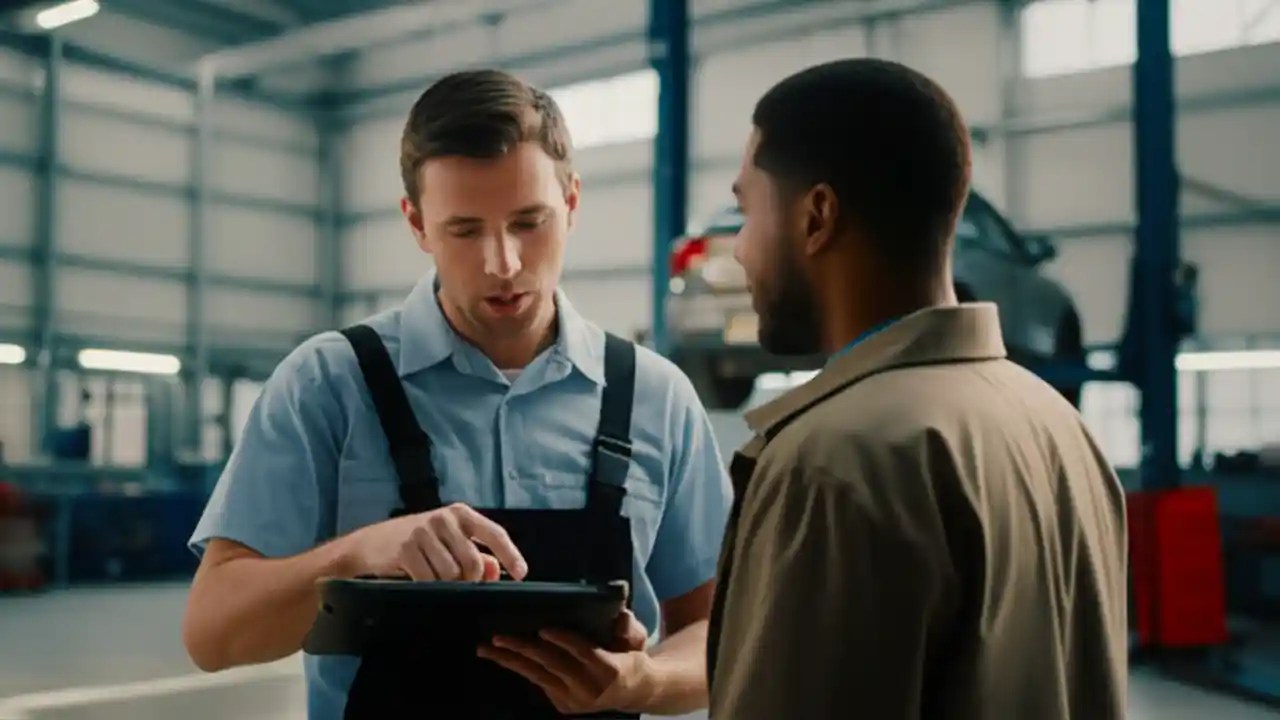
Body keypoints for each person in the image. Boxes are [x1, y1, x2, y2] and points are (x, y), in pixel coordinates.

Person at [182, 68, 732, 720]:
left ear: (573, 202)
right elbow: (213, 634)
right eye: (465, 231)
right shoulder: (328, 386)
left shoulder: (655, 399)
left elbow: (721, 634)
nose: (503, 263)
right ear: (416, 224)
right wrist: (358, 555)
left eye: (530, 222)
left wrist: (642, 681)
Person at [706, 58, 1128, 719]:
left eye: (746, 211)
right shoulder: (1061, 430)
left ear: (816, 216)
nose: (738, 251)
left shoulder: (834, 461)